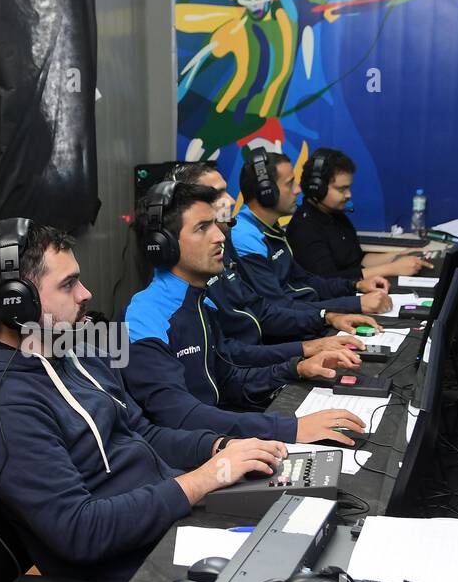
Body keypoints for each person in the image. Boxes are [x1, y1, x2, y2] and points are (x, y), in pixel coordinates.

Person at [0, 219, 321, 582]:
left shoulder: (76, 351)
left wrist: (220, 447)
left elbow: (143, 432)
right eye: (68, 285)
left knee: (312, 530)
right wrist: (203, 480)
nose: (86, 294)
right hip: (127, 571)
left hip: (171, 521)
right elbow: (79, 530)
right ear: (15, 303)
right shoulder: (3, 409)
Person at [122, 180, 367, 443]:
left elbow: (228, 378)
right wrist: (289, 429)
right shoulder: (140, 320)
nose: (219, 236)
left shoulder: (200, 301)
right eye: (203, 228)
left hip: (214, 435)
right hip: (182, 458)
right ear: (163, 245)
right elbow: (179, 416)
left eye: (215, 224)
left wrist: (296, 368)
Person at [168, 161, 381, 347]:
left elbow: (272, 303)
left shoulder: (233, 240)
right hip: (272, 349)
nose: (231, 200)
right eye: (217, 194)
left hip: (275, 349)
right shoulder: (242, 237)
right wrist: (347, 308)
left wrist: (341, 303)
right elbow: (267, 315)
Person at [231, 150, 395, 314]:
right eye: (290, 183)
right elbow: (277, 308)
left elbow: (306, 280)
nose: (297, 190)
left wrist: (355, 285)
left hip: (306, 315)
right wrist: (355, 304)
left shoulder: (270, 228)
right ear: (266, 192)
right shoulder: (245, 238)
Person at [287, 148, 433, 281]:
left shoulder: (336, 216)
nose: (349, 194)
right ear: (317, 189)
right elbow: (327, 280)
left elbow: (358, 261)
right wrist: (391, 269)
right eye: (341, 189)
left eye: (348, 188)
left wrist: (399, 256)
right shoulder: (303, 228)